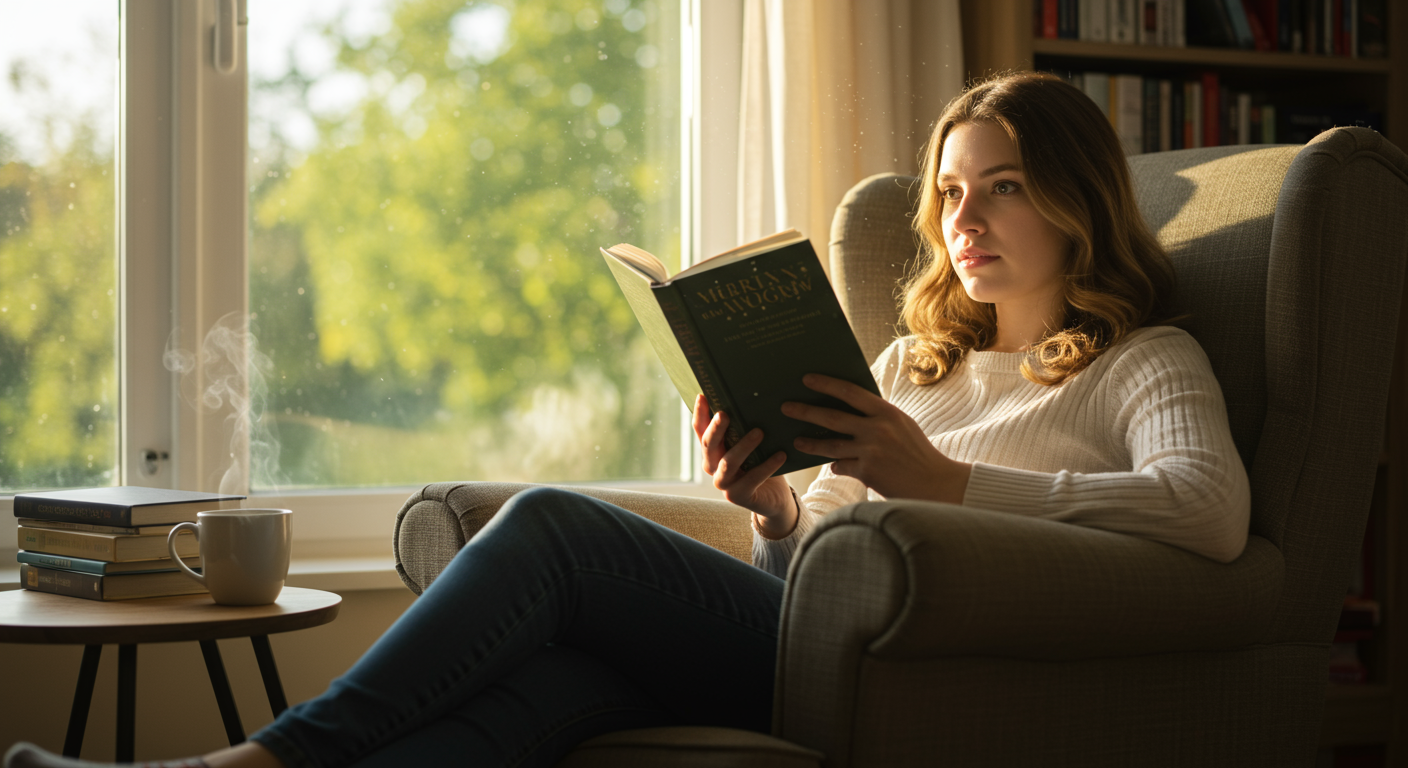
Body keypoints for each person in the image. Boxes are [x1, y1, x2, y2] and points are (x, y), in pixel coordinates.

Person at [5, 70, 1249, 768]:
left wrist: (951, 484)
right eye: (951, 192)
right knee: (546, 690)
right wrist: (766, 510)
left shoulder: (1143, 362)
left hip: (905, 674)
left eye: (1006, 188)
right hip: (811, 628)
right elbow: (824, 552)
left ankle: (249, 765)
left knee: (553, 525)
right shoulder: (912, 366)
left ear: (1079, 201)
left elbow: (1210, 515)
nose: (966, 218)